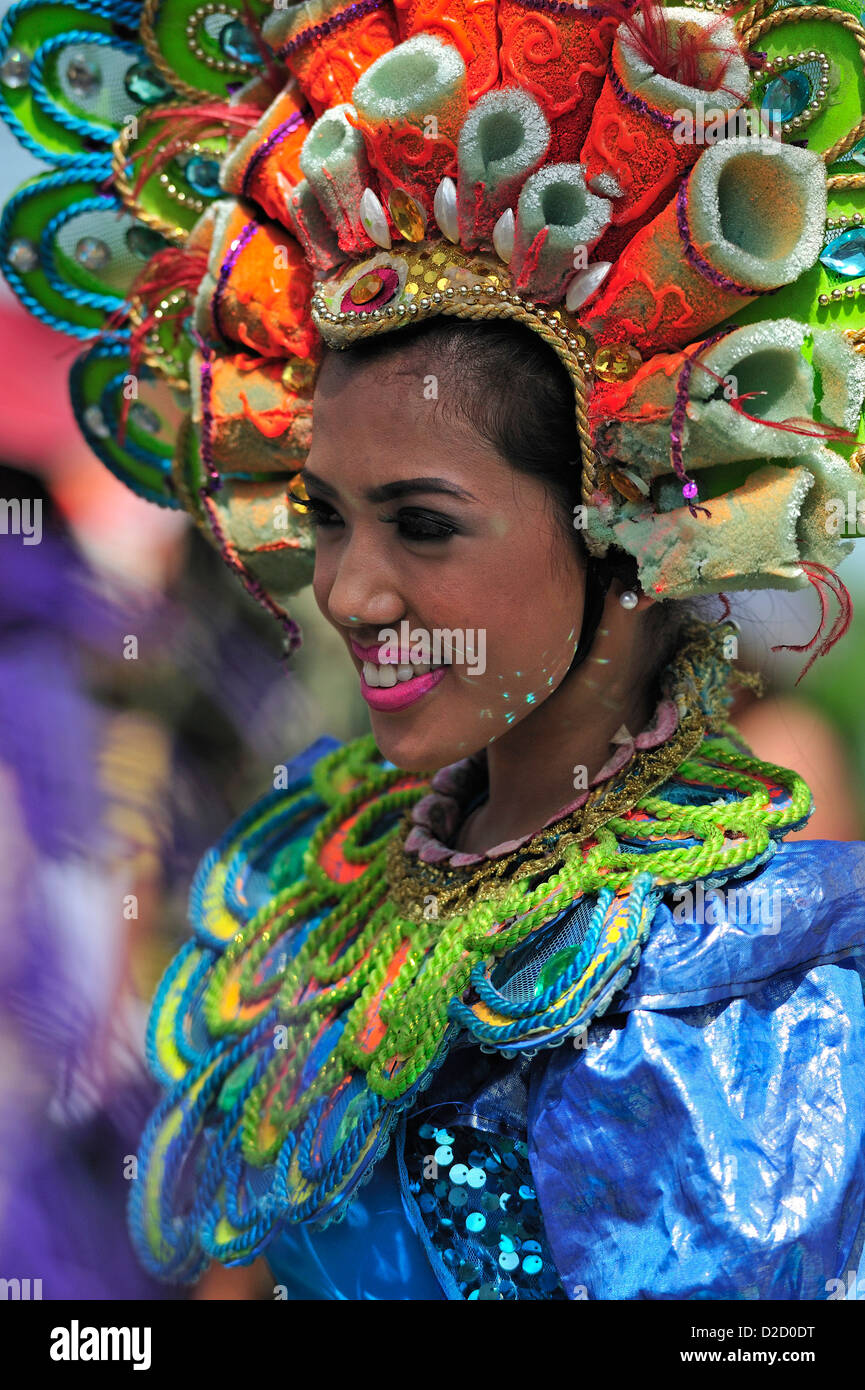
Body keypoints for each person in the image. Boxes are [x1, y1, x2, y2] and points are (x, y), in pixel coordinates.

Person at [3, 0, 865, 1301]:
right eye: (326, 518)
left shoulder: (741, 998)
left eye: (423, 524)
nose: (348, 590)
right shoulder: (315, 893)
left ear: (619, 532)